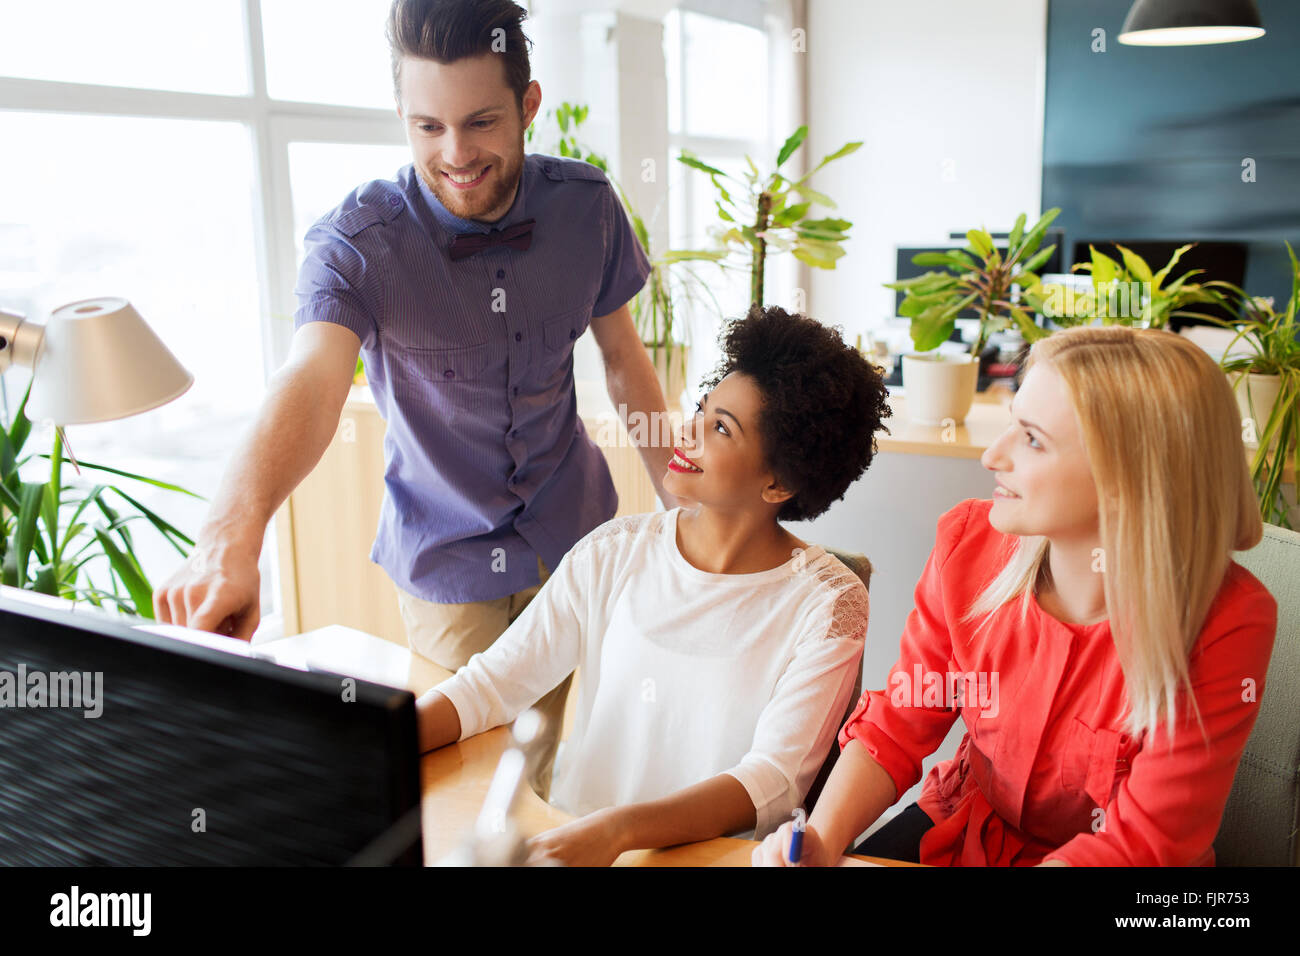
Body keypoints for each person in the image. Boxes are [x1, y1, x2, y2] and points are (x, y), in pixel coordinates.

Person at [153, 0, 679, 796]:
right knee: (471, 781)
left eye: (481, 122)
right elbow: (309, 382)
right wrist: (232, 537)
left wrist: (687, 507)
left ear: (528, 105)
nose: (457, 154)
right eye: (427, 126)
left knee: (565, 773)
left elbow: (624, 364)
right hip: (446, 564)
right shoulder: (359, 246)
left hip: (577, 544)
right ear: (401, 113)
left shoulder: (588, 209)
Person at [754, 325, 1279, 867]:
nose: (992, 456)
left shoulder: (1229, 622)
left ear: (1128, 478)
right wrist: (820, 840)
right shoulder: (967, 545)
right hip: (963, 827)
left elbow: (1147, 844)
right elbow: (898, 727)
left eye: (1032, 439)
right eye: (1012, 423)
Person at [417, 305, 892, 865]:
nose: (685, 431)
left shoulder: (829, 602)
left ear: (778, 481)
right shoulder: (614, 552)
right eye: (701, 410)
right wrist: (373, 740)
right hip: (567, 846)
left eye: (720, 428)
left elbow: (773, 780)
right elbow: (490, 688)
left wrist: (618, 832)